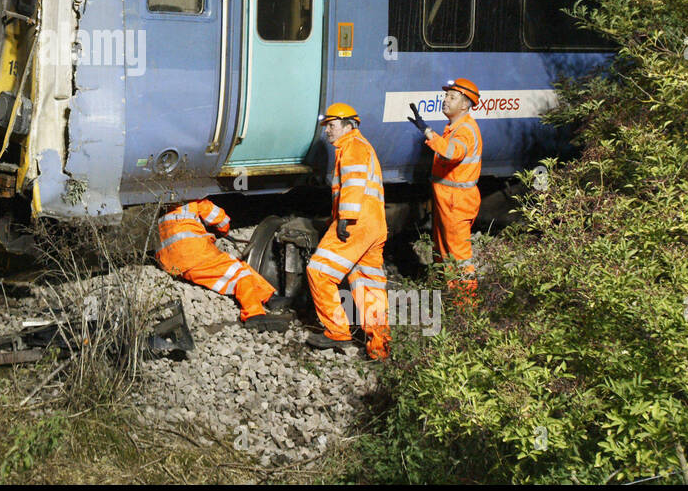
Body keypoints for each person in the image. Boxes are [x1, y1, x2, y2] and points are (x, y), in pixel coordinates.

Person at [304, 103, 390, 359]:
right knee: (368, 283)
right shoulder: (362, 146)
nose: (327, 131)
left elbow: (353, 181)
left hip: (358, 221)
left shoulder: (352, 145)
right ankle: (380, 347)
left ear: (348, 125)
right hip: (375, 223)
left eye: (331, 125)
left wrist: (346, 217)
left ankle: (336, 330)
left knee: (318, 271)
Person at [156, 198, 292, 331]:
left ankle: (269, 296)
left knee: (239, 265)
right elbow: (221, 220)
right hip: (196, 255)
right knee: (240, 274)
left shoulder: (164, 213)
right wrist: (223, 232)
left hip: (172, 263)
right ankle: (253, 315)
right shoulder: (196, 202)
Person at [407, 78, 483, 298]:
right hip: (448, 200)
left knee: (458, 257)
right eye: (446, 96)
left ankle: (466, 310)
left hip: (457, 202)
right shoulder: (454, 127)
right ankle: (451, 300)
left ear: (465, 104)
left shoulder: (465, 130)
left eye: (452, 97)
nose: (445, 100)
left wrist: (428, 132)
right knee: (443, 253)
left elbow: (451, 153)